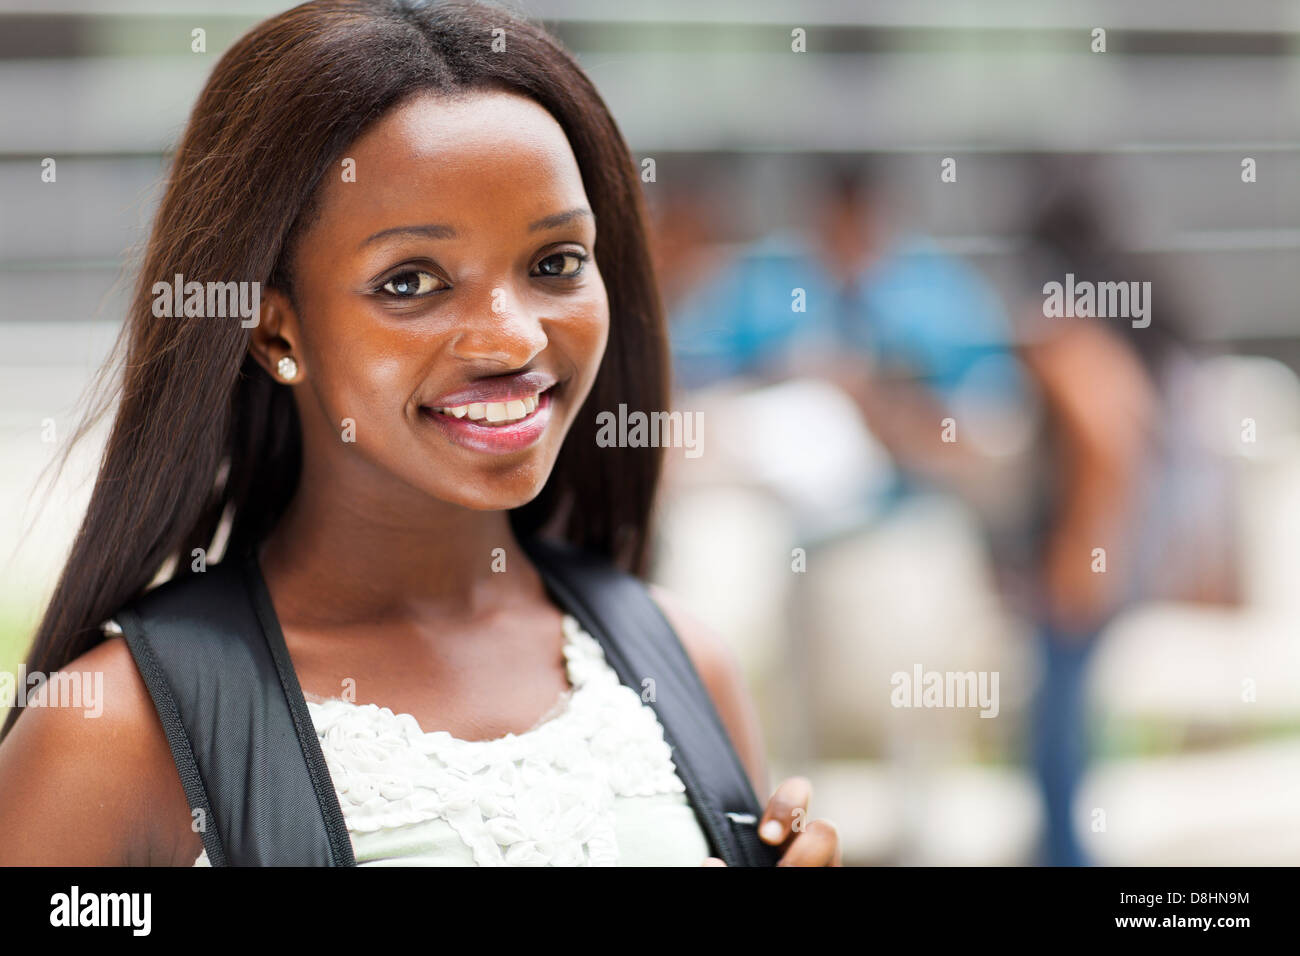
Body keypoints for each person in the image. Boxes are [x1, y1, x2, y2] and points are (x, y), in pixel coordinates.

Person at [0, 0, 839, 867]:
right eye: (411, 282)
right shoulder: (113, 734)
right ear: (275, 332)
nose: (513, 338)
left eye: (555, 264)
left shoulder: (682, 665)